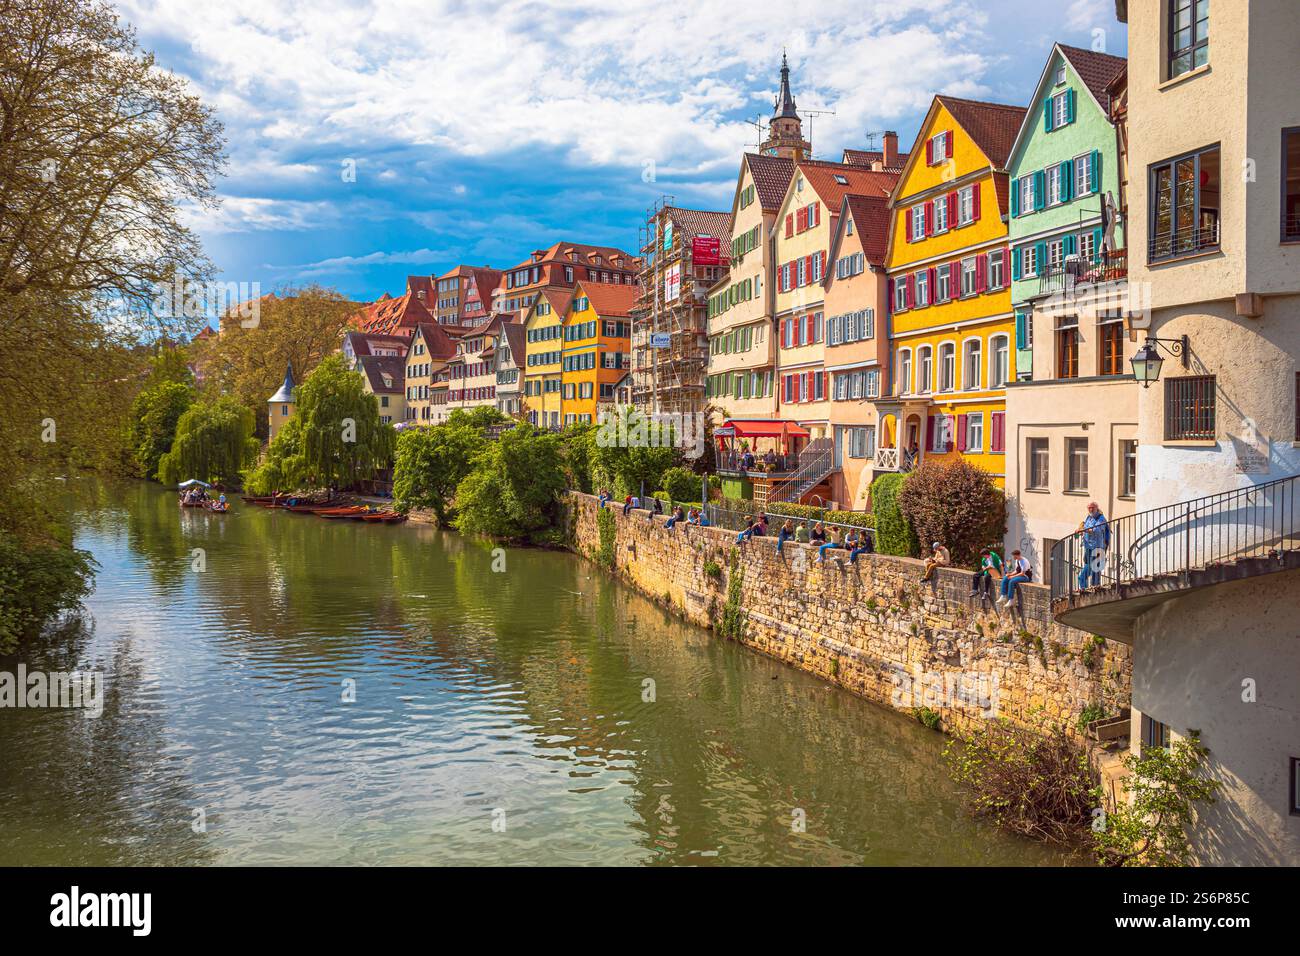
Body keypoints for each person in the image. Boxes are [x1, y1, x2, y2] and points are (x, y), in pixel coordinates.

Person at [1077, 501, 1112, 590]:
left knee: (1095, 569)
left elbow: (1094, 530)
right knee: (1090, 566)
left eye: (1093, 507)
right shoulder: (1089, 517)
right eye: (1089, 508)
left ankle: (1093, 587)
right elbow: (1086, 528)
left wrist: (1083, 529)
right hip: (1088, 546)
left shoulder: (1101, 518)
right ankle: (1085, 586)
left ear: (1097, 508)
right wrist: (1081, 531)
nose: (1091, 509)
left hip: (1097, 547)